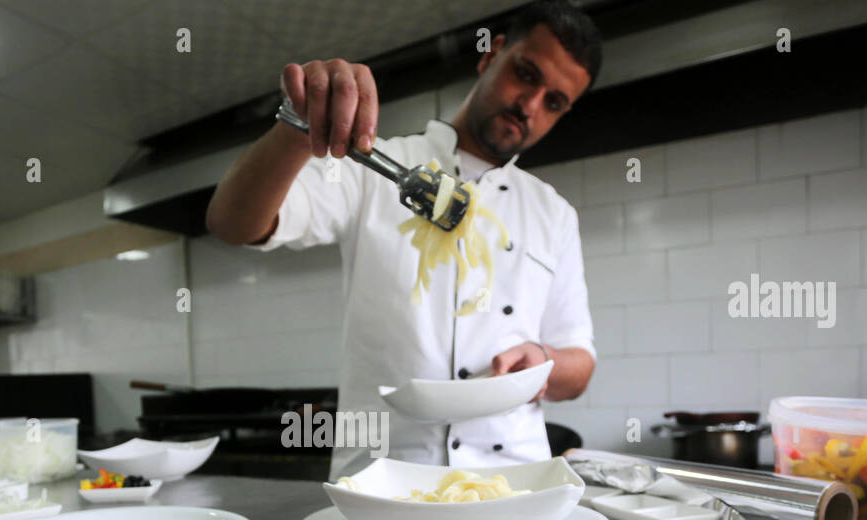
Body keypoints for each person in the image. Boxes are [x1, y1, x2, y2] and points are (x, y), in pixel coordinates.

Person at [206, 1, 603, 479]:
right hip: (382, 481)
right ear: (490, 55)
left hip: (512, 487)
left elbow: (578, 364)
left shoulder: (553, 213)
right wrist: (298, 125)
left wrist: (543, 361)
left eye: (554, 102)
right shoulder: (373, 167)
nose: (530, 105)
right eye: (525, 74)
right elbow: (232, 223)